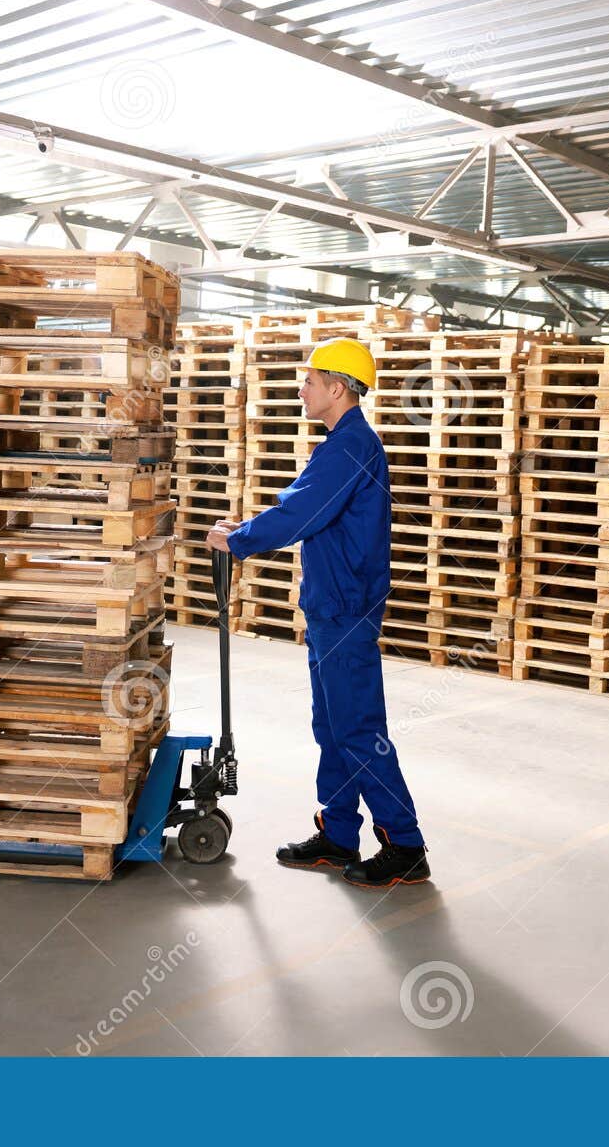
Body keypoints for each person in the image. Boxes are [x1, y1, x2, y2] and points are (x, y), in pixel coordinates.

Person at [205, 336, 429, 888]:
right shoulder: (338, 444)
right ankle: (337, 832)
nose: (301, 390)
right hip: (332, 605)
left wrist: (237, 542)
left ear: (336, 388)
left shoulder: (351, 446)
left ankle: (405, 844)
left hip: (346, 607)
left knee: (357, 728)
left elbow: (302, 512)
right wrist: (247, 531)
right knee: (331, 726)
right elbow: (300, 506)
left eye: (309, 381)